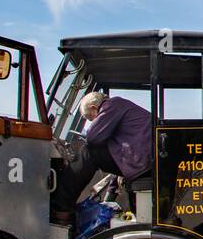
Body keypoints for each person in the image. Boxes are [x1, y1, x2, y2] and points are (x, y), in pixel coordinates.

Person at [51, 91, 153, 223]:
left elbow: (93, 137)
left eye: (92, 119)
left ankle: (61, 208)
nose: (95, 122)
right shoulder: (122, 108)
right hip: (142, 159)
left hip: (139, 159)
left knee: (87, 152)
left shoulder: (112, 104)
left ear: (94, 108)